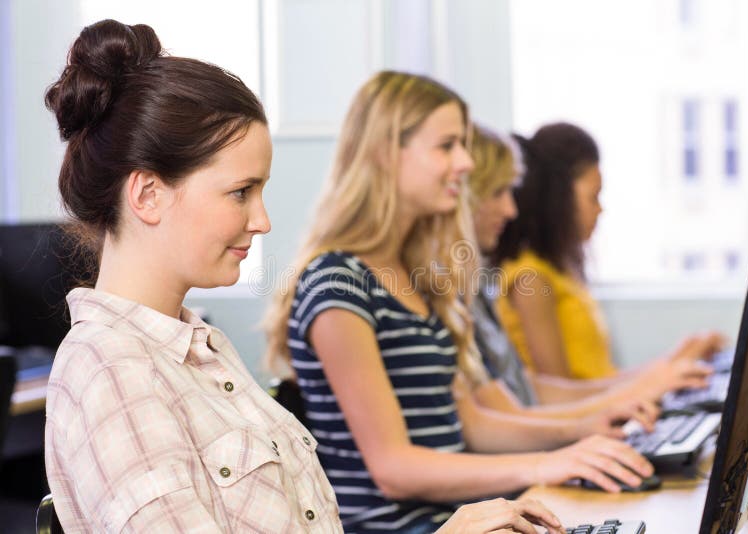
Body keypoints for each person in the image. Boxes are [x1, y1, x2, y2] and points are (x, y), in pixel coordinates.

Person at [42, 19, 565, 534]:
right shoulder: (111, 372)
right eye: (240, 192)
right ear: (148, 195)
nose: (262, 220)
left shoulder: (199, 351)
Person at [267, 71, 654, 534]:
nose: (466, 162)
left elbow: (470, 425)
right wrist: (542, 464)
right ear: (387, 153)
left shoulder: (418, 278)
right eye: (447, 145)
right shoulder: (338, 283)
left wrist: (582, 433)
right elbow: (393, 468)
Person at [467, 123, 722, 413]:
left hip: (597, 411)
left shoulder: (562, 272)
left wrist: (668, 369)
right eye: (593, 197)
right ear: (560, 199)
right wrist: (660, 373)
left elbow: (586, 382)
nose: (600, 209)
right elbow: (555, 392)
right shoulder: (531, 277)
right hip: (583, 418)